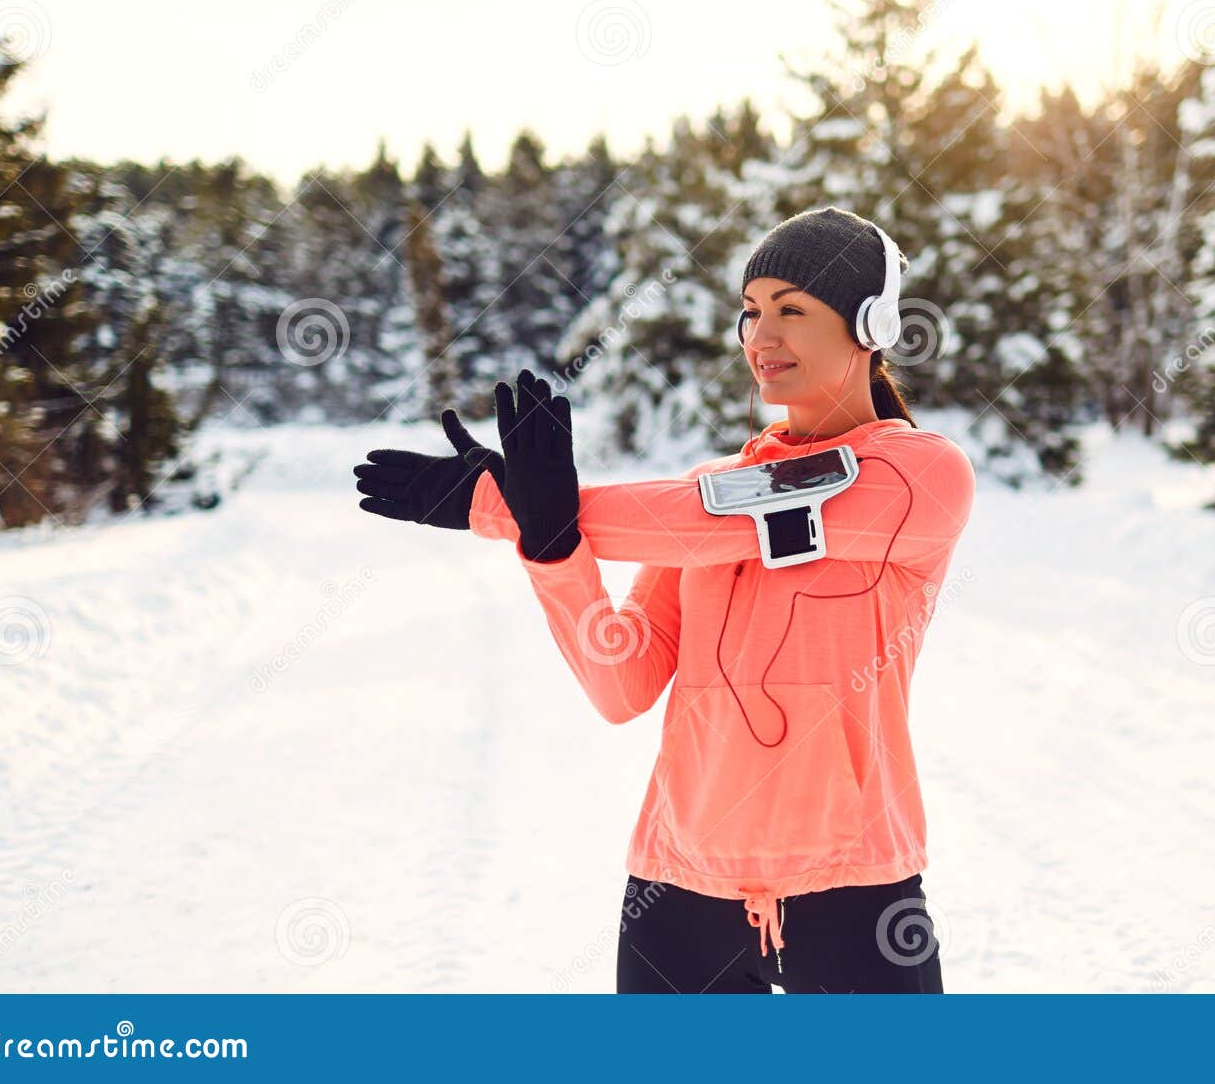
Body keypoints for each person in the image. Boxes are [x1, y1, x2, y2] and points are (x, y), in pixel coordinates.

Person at [354, 206, 975, 993]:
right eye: (751, 311)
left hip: (855, 888)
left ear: (870, 324)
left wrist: (506, 503)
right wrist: (550, 547)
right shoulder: (701, 501)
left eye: (792, 309)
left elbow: (731, 517)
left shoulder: (919, 474)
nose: (761, 336)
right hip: (678, 891)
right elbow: (623, 683)